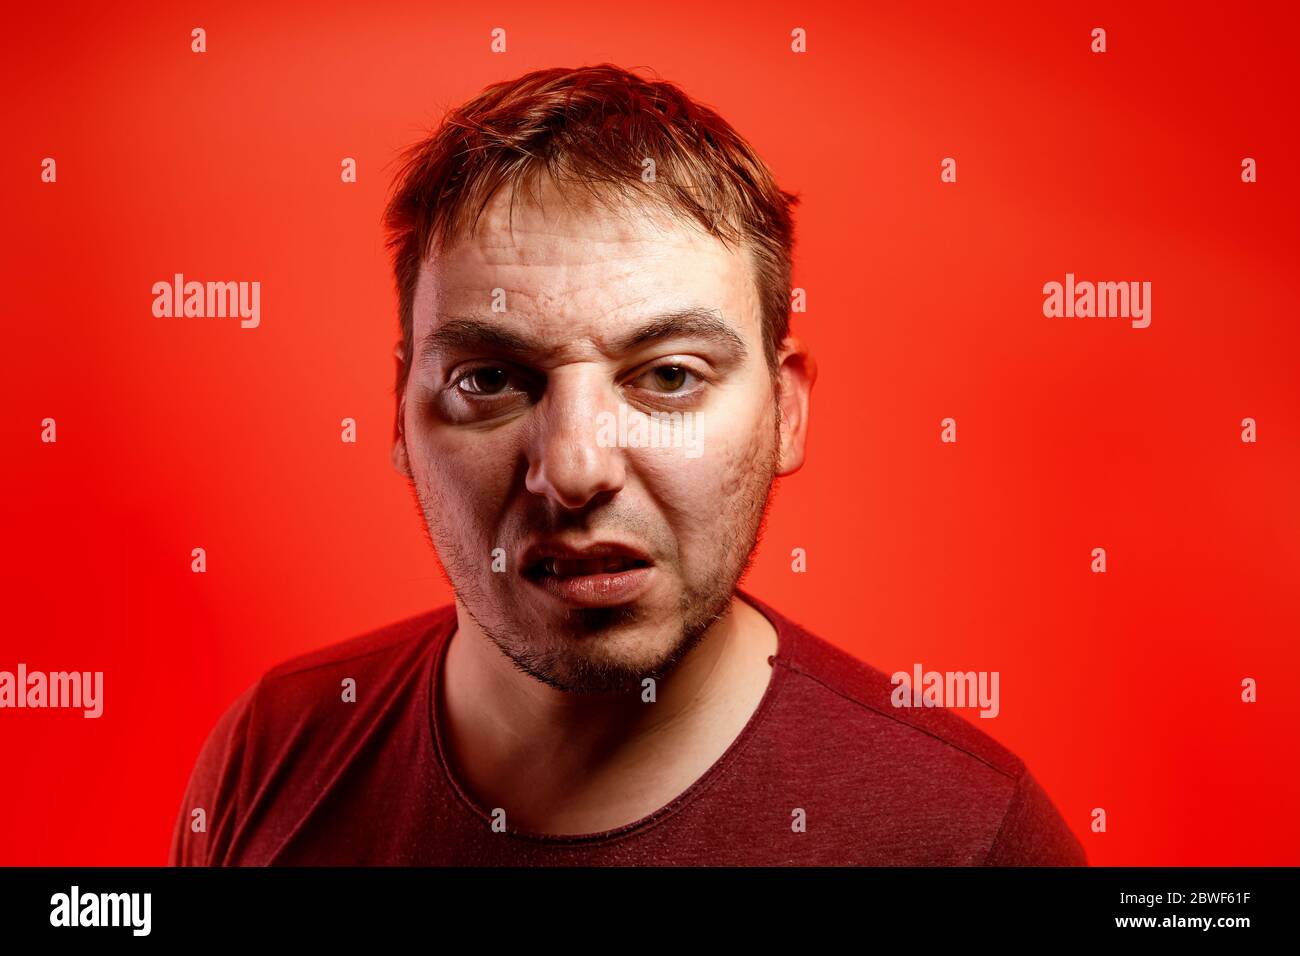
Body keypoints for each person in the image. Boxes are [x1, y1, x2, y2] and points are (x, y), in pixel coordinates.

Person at [169, 64, 1085, 866]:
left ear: (786, 410)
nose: (574, 470)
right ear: (401, 415)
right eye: (491, 378)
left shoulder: (966, 841)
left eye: (670, 376)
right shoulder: (273, 751)